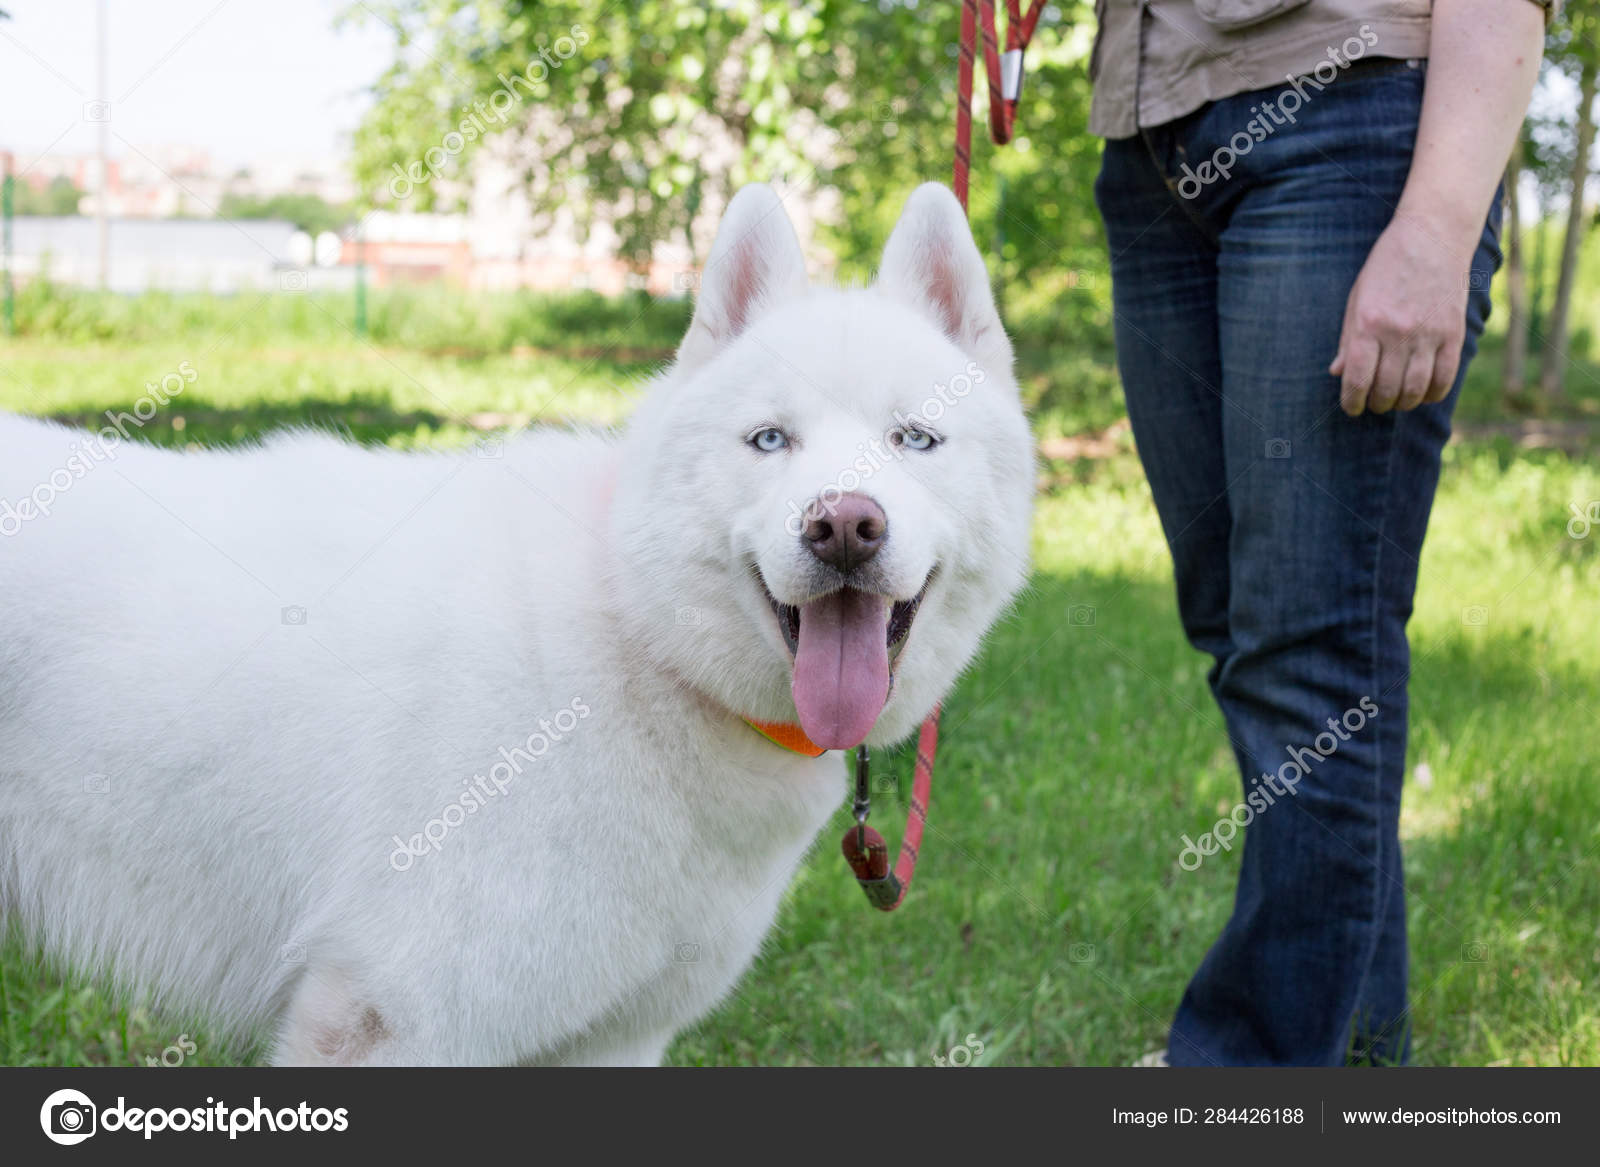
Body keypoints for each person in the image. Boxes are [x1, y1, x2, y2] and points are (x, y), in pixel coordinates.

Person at [1088, 0, 1553, 1065]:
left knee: (1308, 647)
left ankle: (1244, 1073)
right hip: (1150, 137)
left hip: (1353, 117)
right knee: (1243, 634)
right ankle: (1355, 1040)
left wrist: (1433, 231)